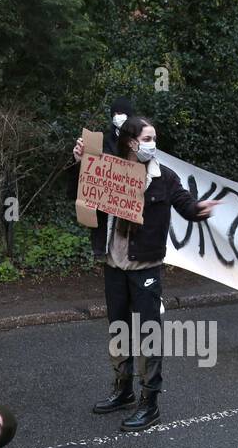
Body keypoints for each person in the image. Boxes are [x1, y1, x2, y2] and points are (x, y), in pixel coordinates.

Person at [72, 117, 222, 430]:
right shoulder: (109, 171)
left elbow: (184, 204)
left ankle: (149, 402)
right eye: (148, 138)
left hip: (145, 268)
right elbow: (81, 190)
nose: (153, 144)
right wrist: (80, 161)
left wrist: (198, 209)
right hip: (114, 265)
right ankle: (123, 390)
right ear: (130, 141)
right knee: (118, 329)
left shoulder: (164, 177)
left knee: (148, 335)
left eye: (155, 138)